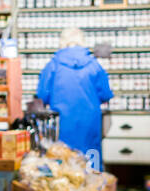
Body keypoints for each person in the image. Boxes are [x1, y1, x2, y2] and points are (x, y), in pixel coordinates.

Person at [36, 27, 113, 170]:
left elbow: (42, 96)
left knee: (63, 160)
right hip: (90, 121)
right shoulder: (94, 65)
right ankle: (95, 181)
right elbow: (105, 95)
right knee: (91, 159)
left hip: (62, 122)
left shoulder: (53, 65)